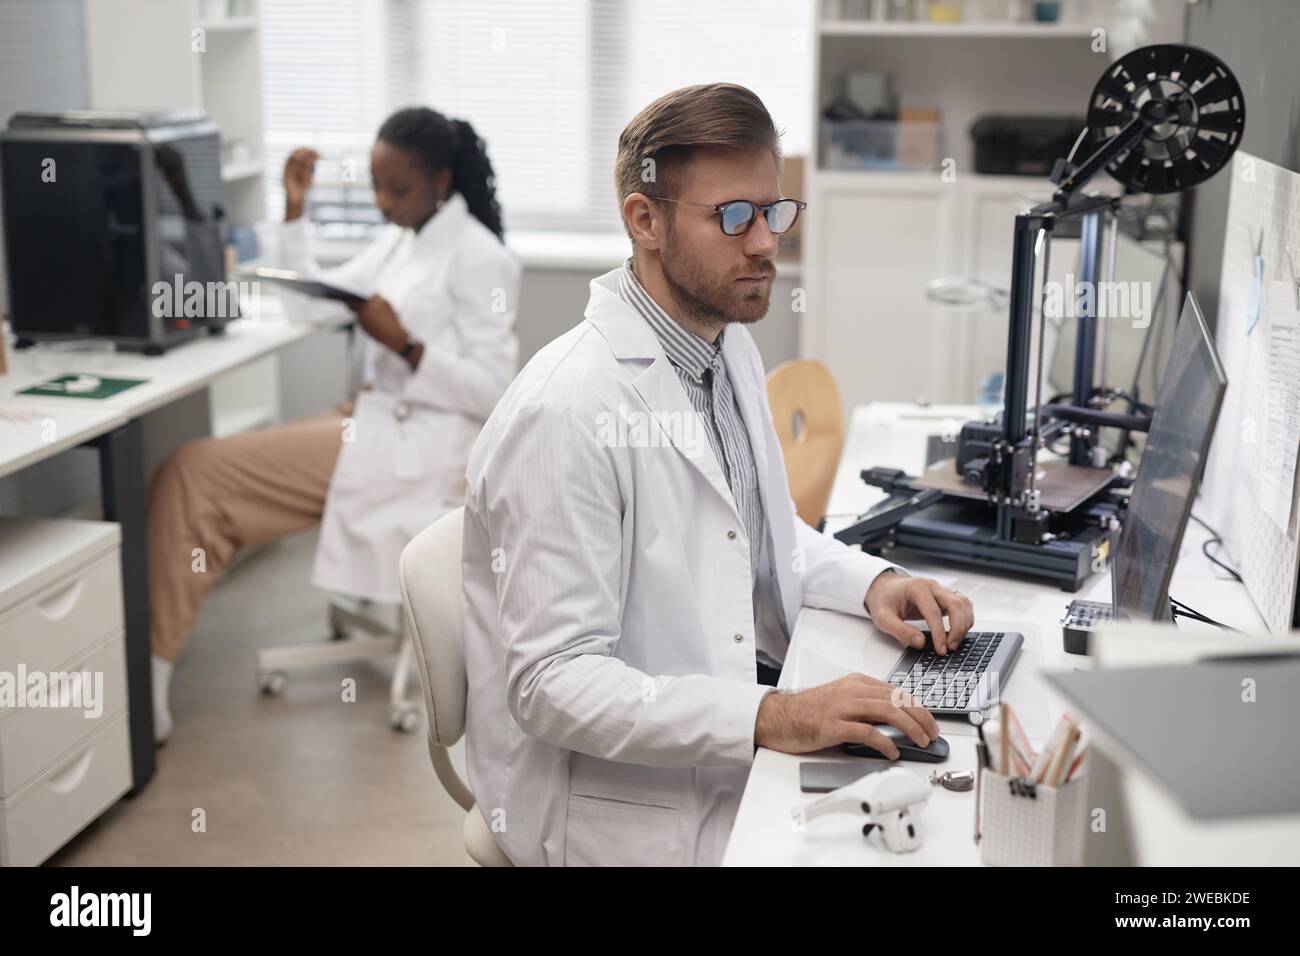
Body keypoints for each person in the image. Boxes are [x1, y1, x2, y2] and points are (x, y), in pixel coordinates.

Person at [460, 83, 976, 867]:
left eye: (775, 211)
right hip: (616, 809)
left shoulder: (723, 344)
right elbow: (553, 684)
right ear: (646, 221)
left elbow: (759, 534)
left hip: (722, 725)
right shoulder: (566, 410)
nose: (766, 242)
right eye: (733, 217)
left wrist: (873, 582)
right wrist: (773, 715)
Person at [148, 108, 520, 743]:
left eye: (396, 189)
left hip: (420, 441)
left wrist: (407, 349)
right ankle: (152, 660)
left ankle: (149, 680)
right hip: (372, 423)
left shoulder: (481, 258)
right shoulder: (403, 237)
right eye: (375, 185)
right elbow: (308, 302)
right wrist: (295, 212)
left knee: (195, 472)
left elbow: (494, 393)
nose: (381, 202)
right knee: (200, 475)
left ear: (440, 179)